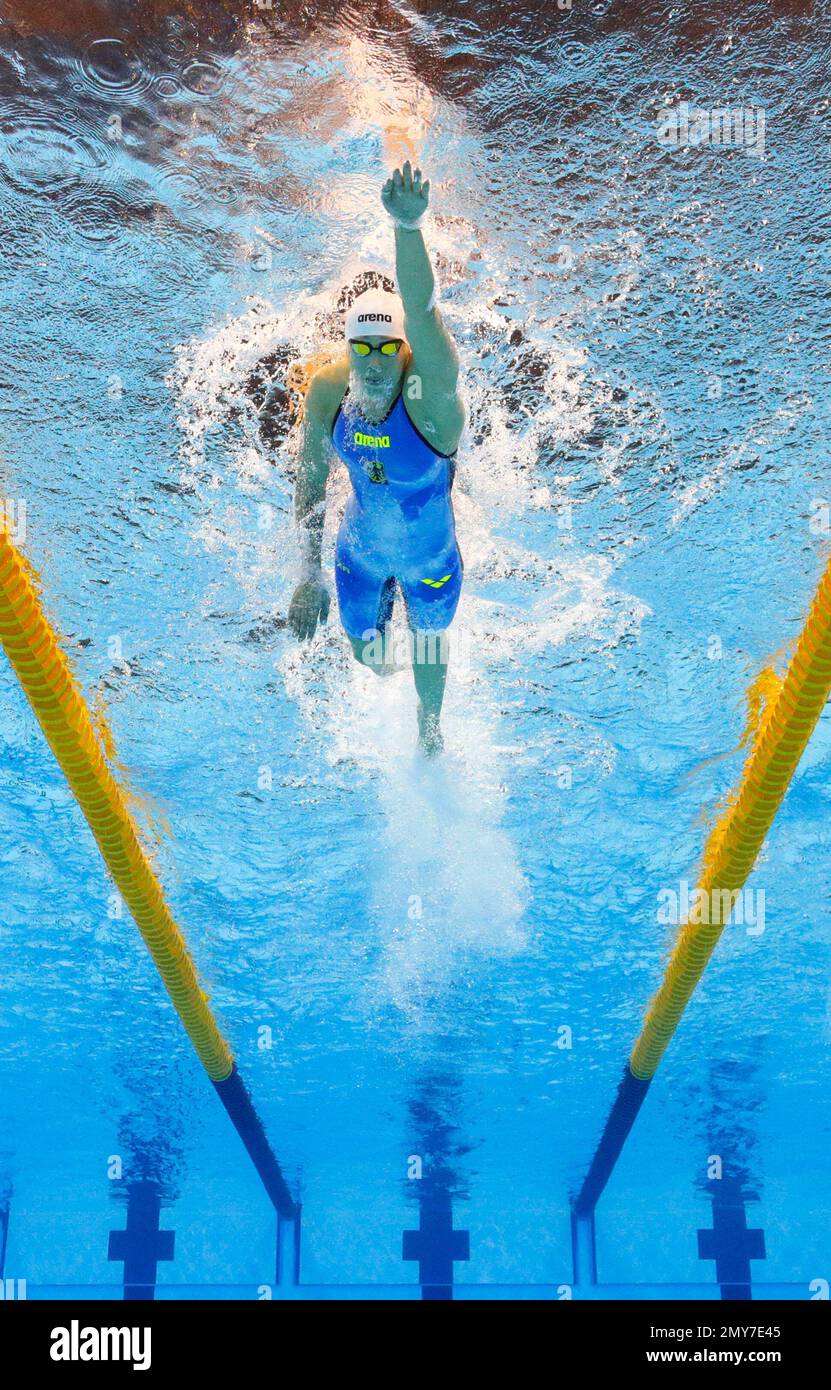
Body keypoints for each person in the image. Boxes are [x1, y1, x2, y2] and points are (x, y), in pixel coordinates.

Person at [288, 161, 465, 755]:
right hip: (359, 553)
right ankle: (389, 670)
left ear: (405, 351)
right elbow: (310, 482)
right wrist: (307, 577)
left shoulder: (433, 399)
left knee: (429, 650)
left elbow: (421, 310)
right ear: (347, 348)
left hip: (432, 559)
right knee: (368, 657)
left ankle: (431, 731)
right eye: (362, 347)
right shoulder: (329, 392)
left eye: (388, 348)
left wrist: (407, 228)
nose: (374, 362)